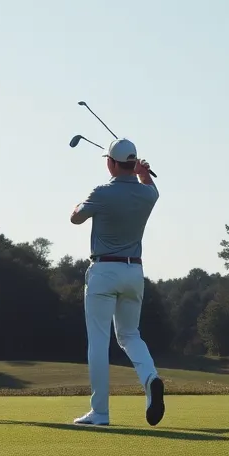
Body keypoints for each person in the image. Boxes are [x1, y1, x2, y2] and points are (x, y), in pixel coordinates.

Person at [68, 137, 164, 427]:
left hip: (104, 271)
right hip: (134, 272)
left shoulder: (101, 192)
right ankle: (150, 379)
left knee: (98, 341)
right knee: (130, 335)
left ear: (111, 163)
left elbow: (75, 218)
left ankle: (100, 412)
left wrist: (85, 200)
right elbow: (149, 184)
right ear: (133, 164)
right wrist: (142, 173)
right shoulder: (149, 194)